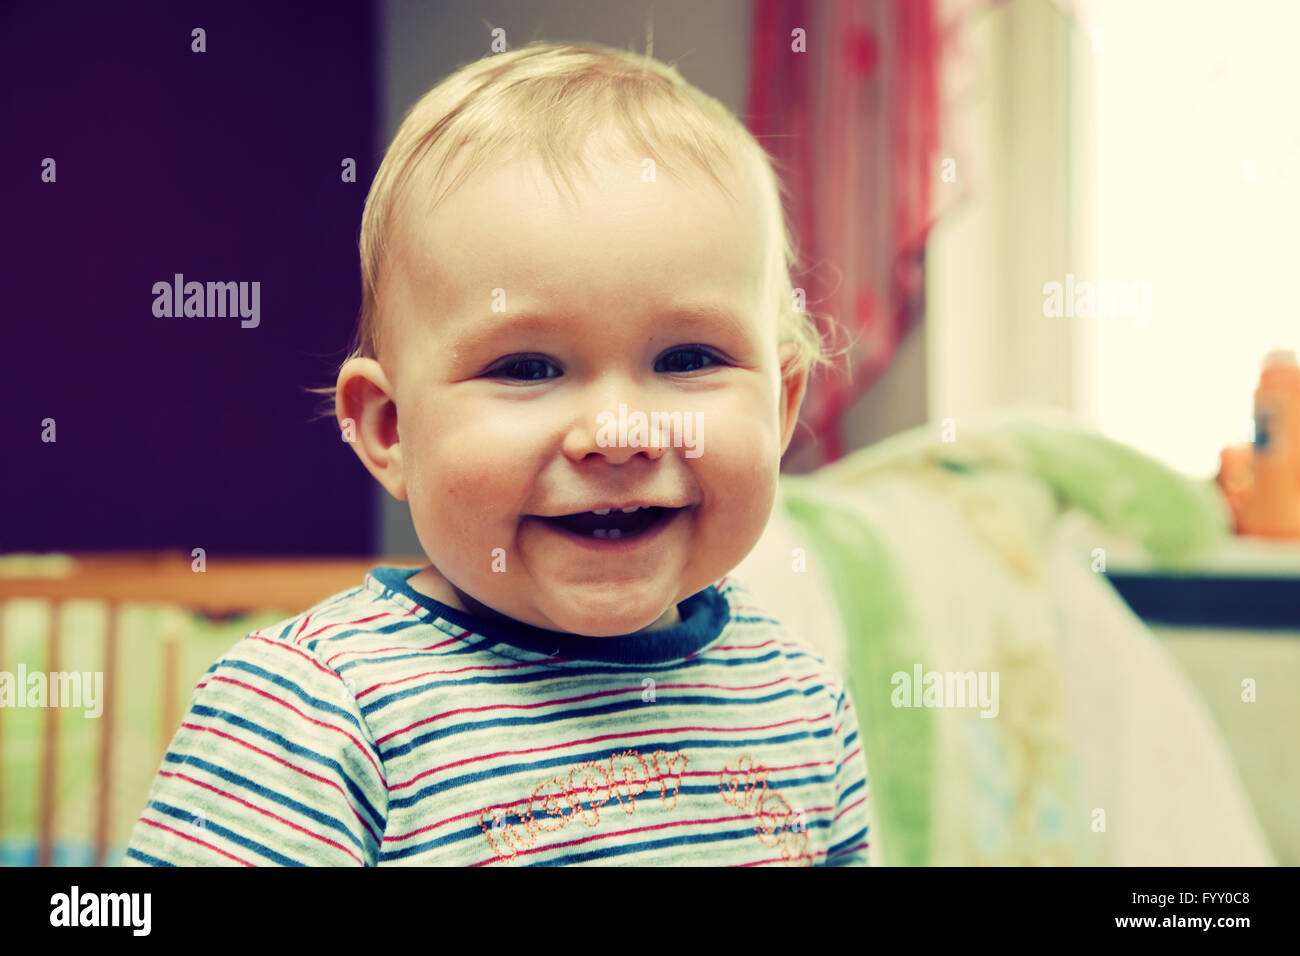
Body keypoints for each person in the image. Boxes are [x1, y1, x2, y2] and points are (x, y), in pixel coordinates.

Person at [124, 40, 869, 866]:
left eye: (688, 359)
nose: (618, 433)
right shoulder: (318, 713)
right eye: (526, 368)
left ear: (782, 401)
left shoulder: (801, 698)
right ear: (390, 432)